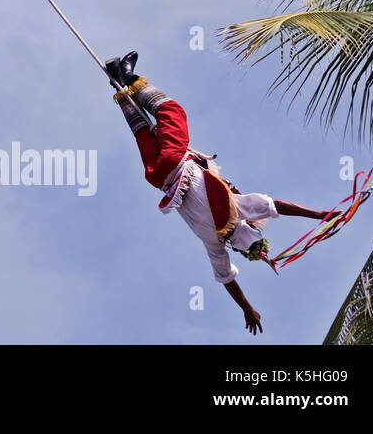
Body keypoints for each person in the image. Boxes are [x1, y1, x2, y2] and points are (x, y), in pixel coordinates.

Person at [105, 51, 335, 335]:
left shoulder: (239, 210)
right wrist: (246, 308)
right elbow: (227, 279)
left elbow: (276, 205)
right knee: (143, 132)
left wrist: (319, 214)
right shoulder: (214, 242)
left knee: (172, 111)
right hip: (158, 178)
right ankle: (116, 78)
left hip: (175, 162)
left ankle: (128, 76)